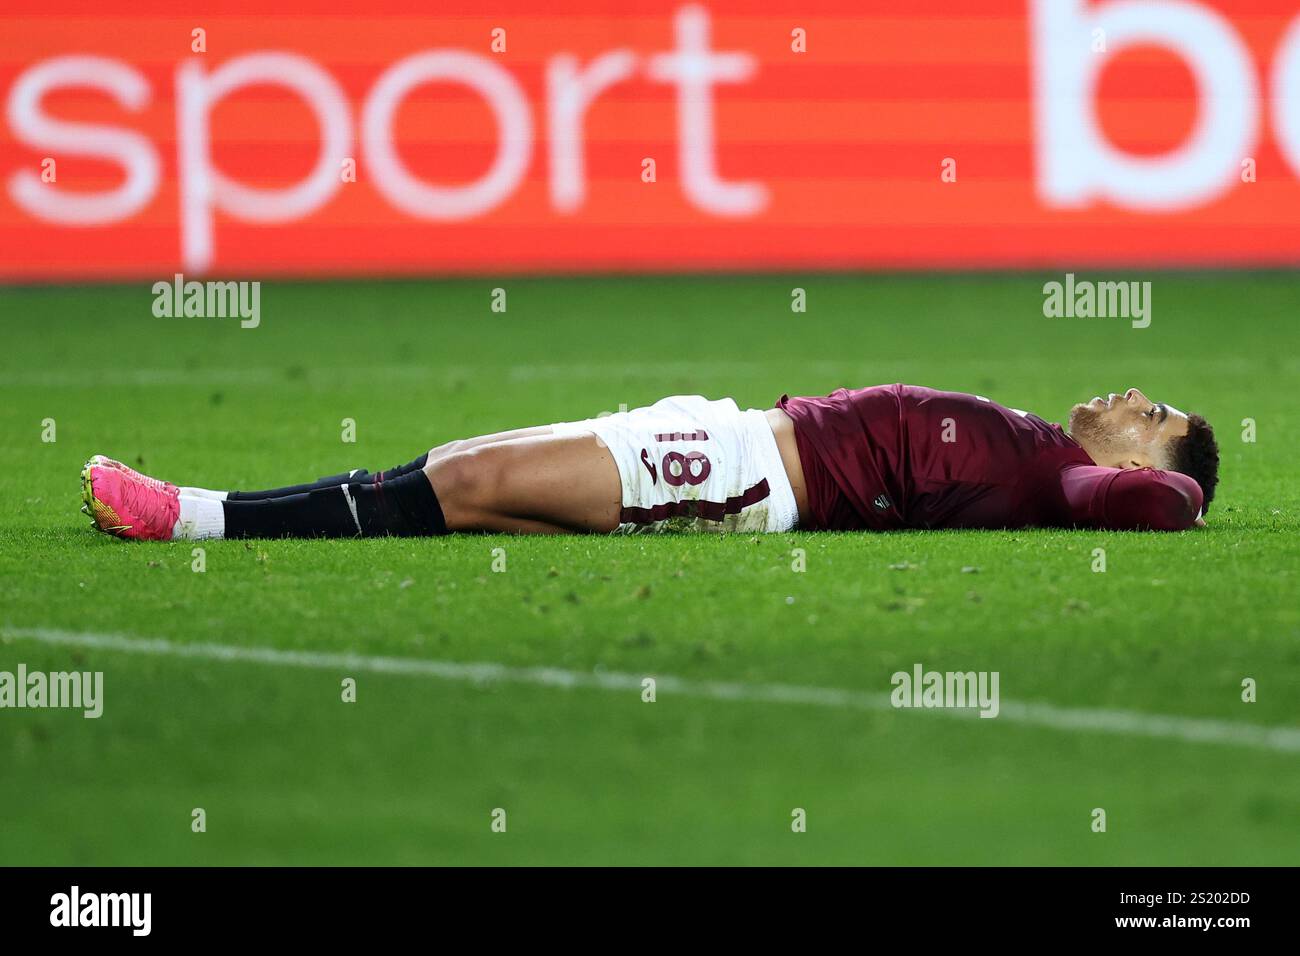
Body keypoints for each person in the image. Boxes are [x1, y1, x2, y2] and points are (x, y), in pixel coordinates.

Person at [80, 384, 1218, 541]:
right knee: (466, 478)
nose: (1129, 396)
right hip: (727, 434)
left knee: (469, 482)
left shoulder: (1070, 479)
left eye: (1153, 410)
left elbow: (1161, 503)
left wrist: (1182, 485)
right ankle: (207, 509)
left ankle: (192, 516)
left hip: (745, 473)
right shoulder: (1041, 442)